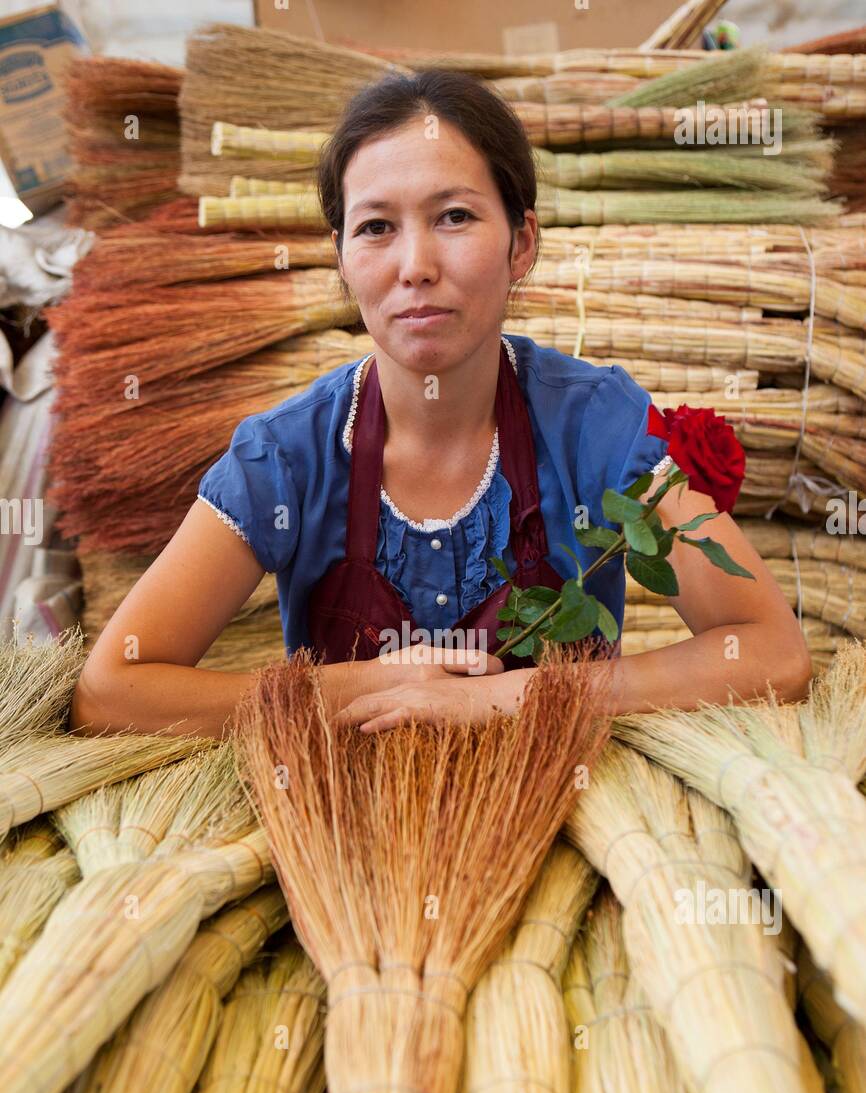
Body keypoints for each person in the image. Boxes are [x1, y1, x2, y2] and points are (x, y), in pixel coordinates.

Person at [69, 69, 811, 740]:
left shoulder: (596, 425)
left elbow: (770, 652)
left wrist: (508, 699)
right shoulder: (287, 458)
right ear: (341, 259)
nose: (416, 266)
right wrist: (366, 686)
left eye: (454, 216)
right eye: (376, 228)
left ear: (522, 244)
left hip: (569, 813)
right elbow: (113, 691)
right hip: (346, 834)